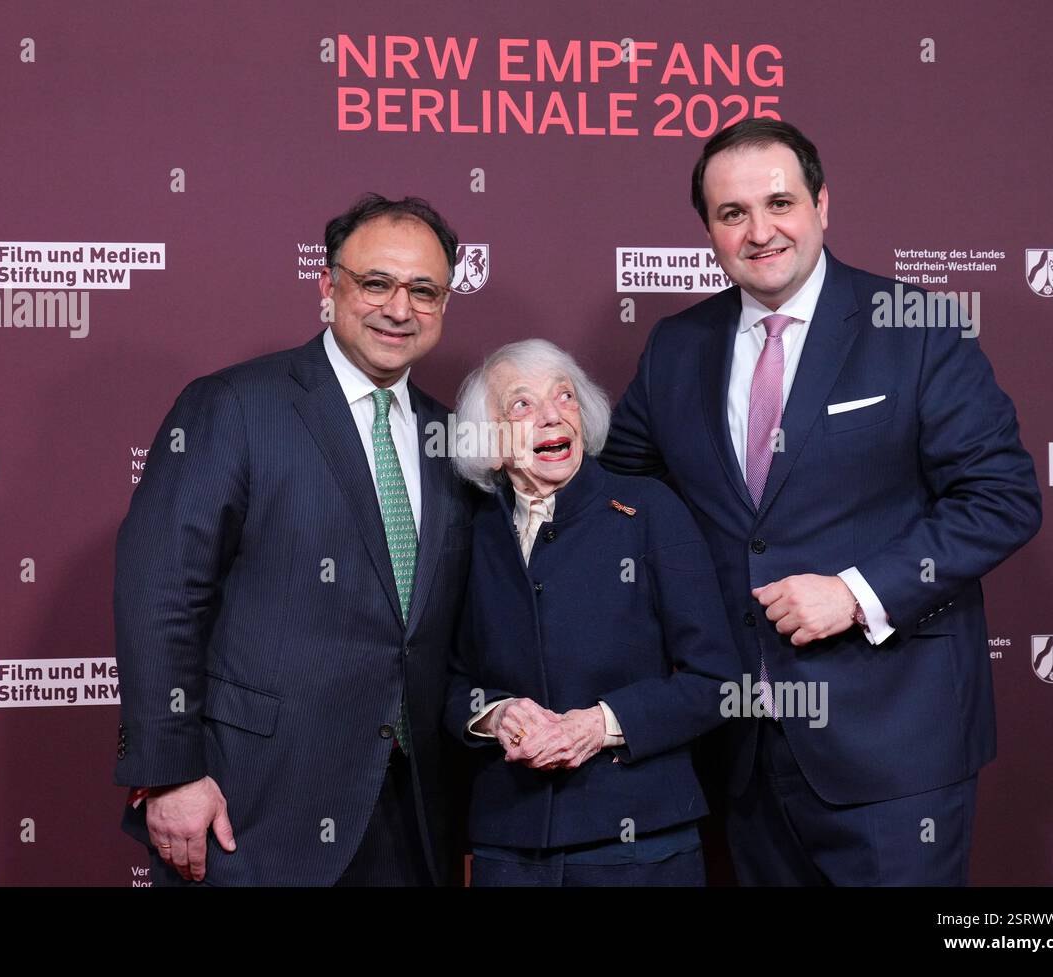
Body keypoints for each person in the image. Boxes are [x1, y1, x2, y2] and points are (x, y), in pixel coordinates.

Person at [600, 119, 1042, 885]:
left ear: (823, 204)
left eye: (780, 202)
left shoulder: (917, 327)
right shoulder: (677, 346)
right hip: (739, 749)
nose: (761, 231)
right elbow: (620, 492)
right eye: (732, 213)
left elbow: (1002, 497)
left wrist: (855, 591)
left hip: (896, 748)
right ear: (707, 229)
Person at [113, 194, 477, 885]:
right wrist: (169, 772)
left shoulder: (452, 436)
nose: (399, 308)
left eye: (424, 291)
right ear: (327, 284)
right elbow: (159, 591)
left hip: (412, 813)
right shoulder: (235, 406)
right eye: (376, 283)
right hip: (252, 807)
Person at [444, 339, 739, 886]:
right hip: (509, 844)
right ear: (488, 438)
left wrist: (601, 725)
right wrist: (495, 713)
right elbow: (448, 678)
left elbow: (716, 681)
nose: (552, 415)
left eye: (565, 396)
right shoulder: (468, 529)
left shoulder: (648, 510)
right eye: (522, 405)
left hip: (639, 843)